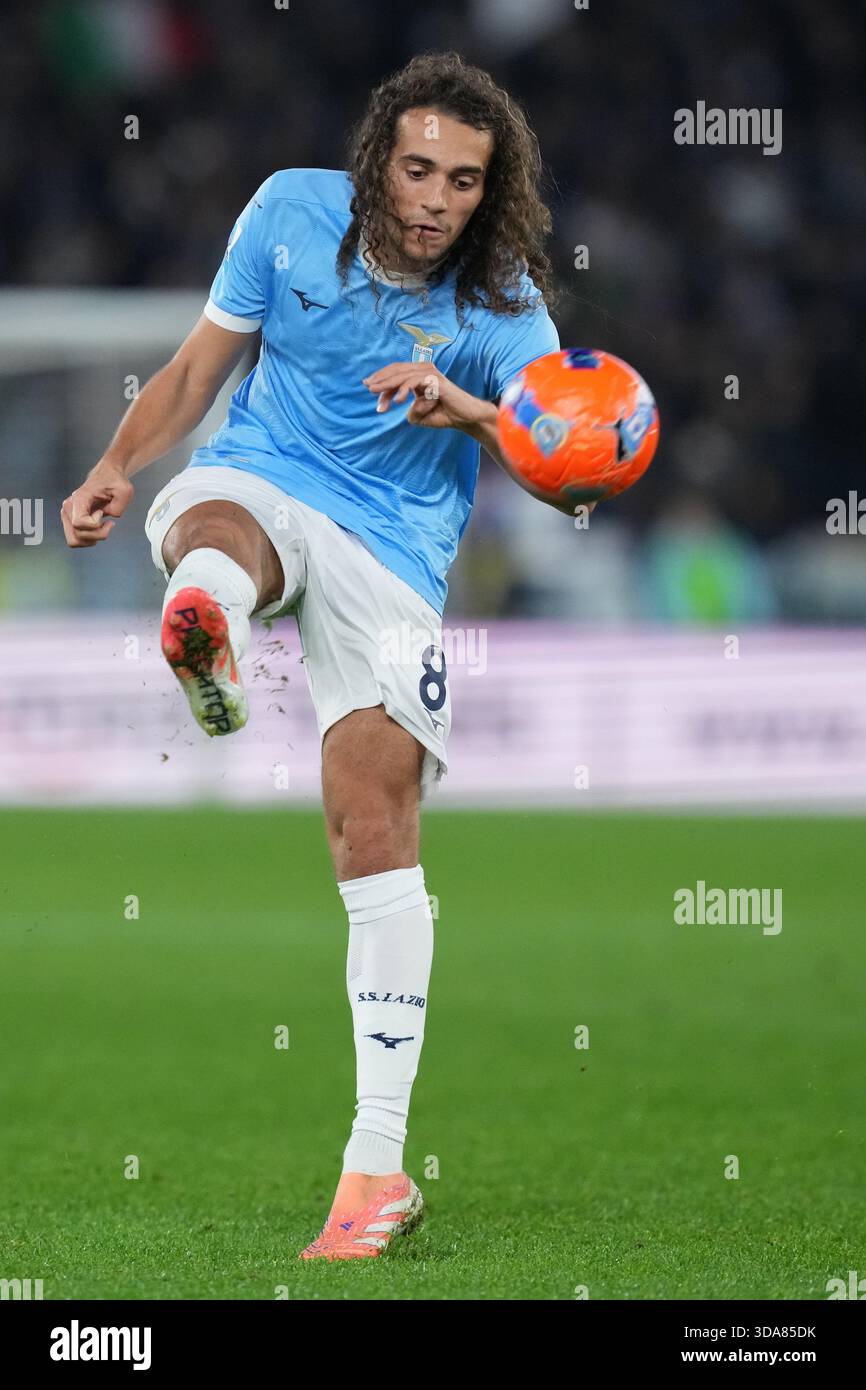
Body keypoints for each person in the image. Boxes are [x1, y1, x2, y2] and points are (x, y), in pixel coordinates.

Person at [61, 50, 569, 1261]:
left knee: (371, 835)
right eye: (417, 169)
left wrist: (475, 410)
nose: (438, 197)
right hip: (271, 481)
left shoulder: (500, 305)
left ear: (488, 191)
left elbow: (571, 468)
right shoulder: (288, 212)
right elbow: (197, 369)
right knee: (205, 518)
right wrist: (117, 462)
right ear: (373, 160)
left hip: (393, 558)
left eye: (462, 179)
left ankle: (373, 1174)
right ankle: (212, 620)